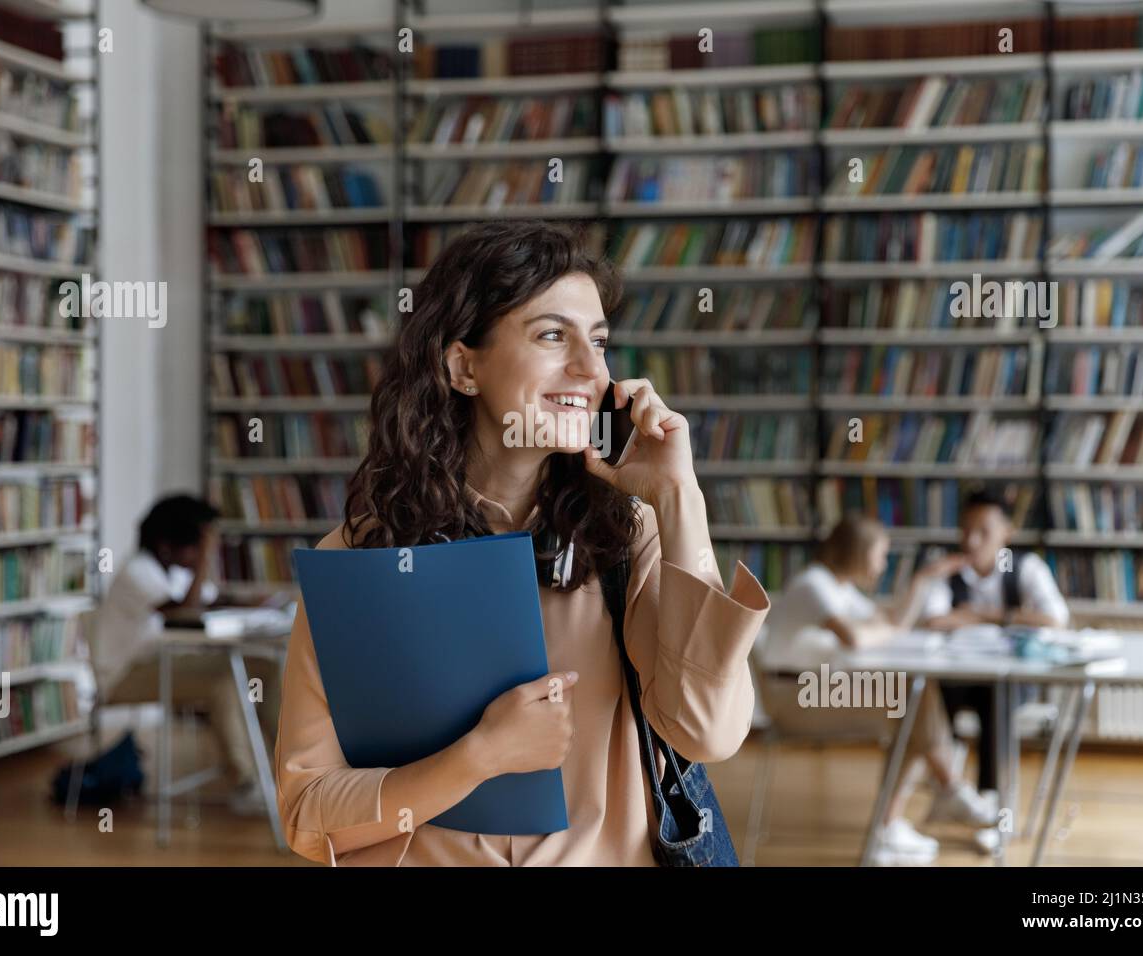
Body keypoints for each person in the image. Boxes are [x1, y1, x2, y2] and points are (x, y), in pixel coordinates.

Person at [274, 220, 770, 866]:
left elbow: (708, 731)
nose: (591, 371)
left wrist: (679, 497)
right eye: (551, 336)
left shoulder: (625, 537)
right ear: (463, 366)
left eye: (598, 342)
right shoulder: (358, 560)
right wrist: (477, 758)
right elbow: (308, 815)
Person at [759, 513, 998, 864]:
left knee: (914, 702)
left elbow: (890, 621)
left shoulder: (838, 587)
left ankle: (895, 824)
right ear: (858, 552)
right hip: (793, 699)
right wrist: (887, 630)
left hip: (813, 688)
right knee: (912, 704)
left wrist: (921, 581)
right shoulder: (813, 584)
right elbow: (855, 637)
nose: (883, 564)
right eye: (880, 554)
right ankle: (938, 795)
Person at [95, 493, 281, 813]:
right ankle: (247, 782)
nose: (201, 555)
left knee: (265, 668)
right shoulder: (137, 571)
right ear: (167, 545)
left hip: (166, 664)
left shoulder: (174, 572)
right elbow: (182, 611)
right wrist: (204, 560)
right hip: (126, 675)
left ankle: (292, 766)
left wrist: (253, 601)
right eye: (198, 546)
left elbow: (210, 599)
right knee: (223, 682)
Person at [919, 489, 1070, 799]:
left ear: (1006, 532)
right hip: (957, 677)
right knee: (921, 696)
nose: (972, 541)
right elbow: (934, 620)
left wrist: (979, 614)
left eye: (983, 532)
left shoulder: (1026, 567)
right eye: (966, 530)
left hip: (1011, 682)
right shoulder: (947, 569)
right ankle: (949, 787)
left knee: (995, 697)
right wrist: (1015, 618)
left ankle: (990, 799)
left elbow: (1055, 619)